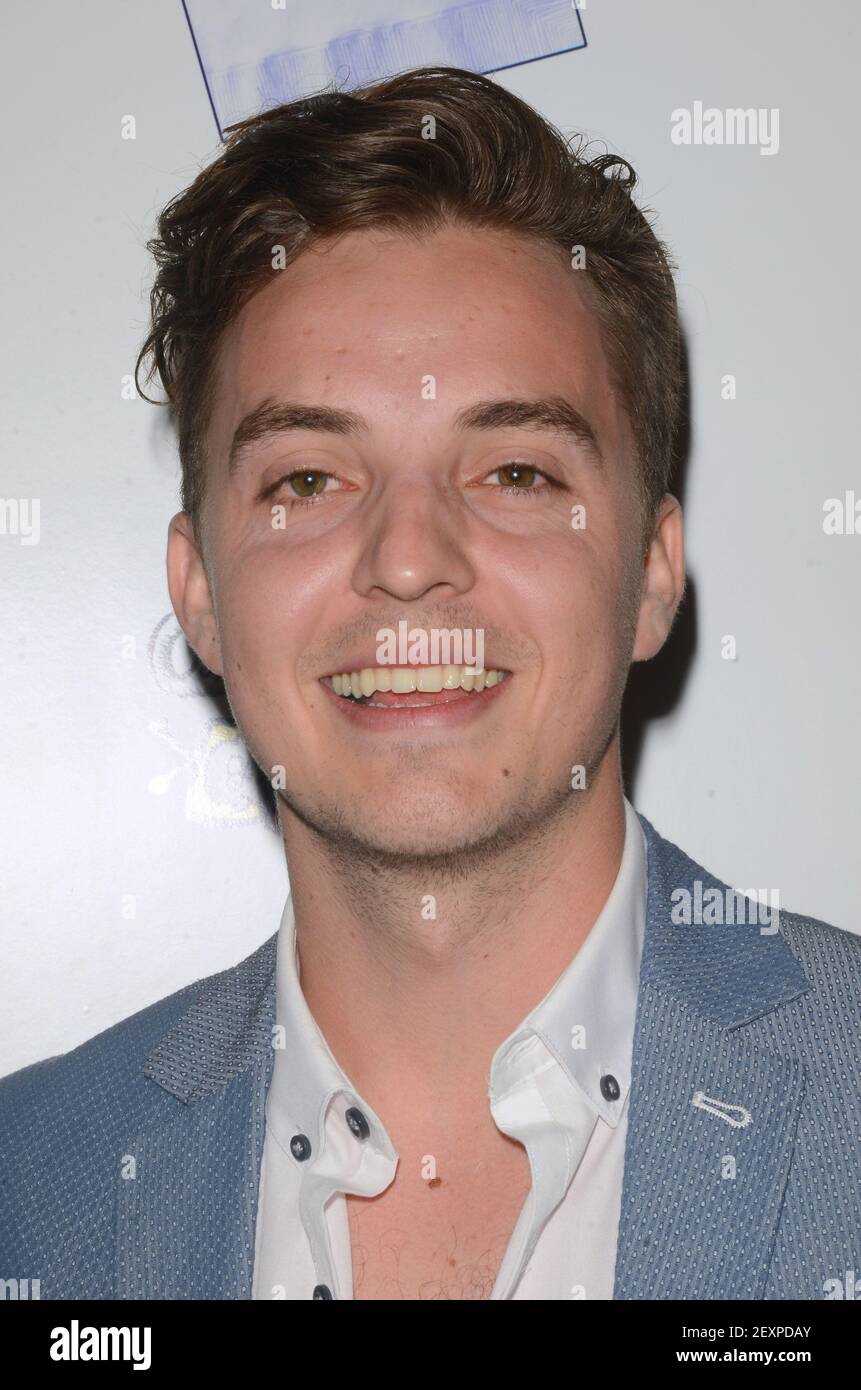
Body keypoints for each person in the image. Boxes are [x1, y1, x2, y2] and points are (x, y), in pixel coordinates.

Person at [2, 66, 858, 1302]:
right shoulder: (32, 1192)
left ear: (655, 573)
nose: (408, 560)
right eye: (307, 479)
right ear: (200, 595)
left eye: (513, 470)